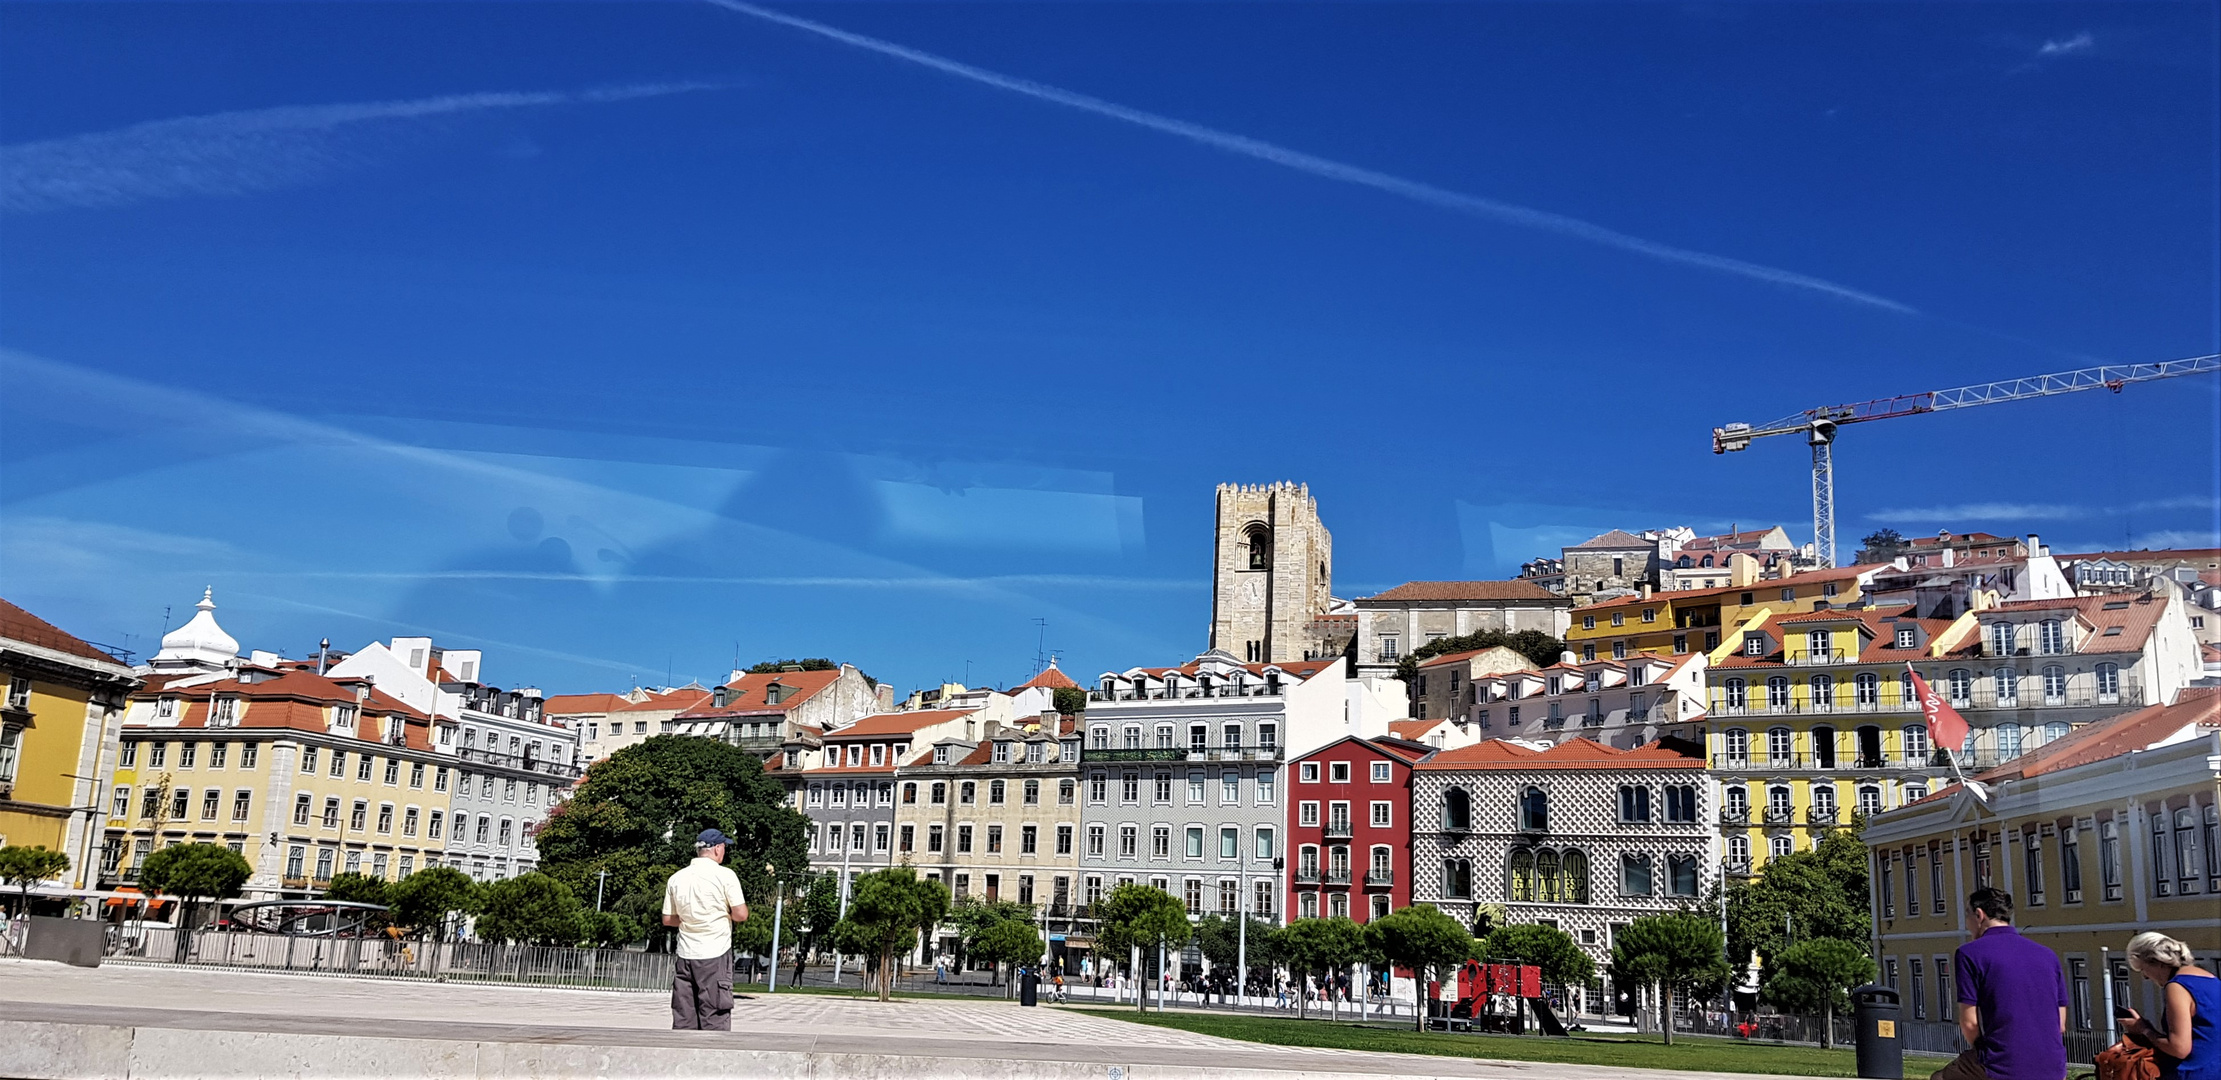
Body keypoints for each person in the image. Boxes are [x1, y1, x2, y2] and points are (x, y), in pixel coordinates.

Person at [1931, 887, 2069, 1080]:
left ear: (1979, 915)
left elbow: (1969, 1022)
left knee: (1940, 1078)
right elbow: (2060, 1024)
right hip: (2054, 1067)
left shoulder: (1970, 953)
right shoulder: (2048, 955)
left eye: (1968, 915)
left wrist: (1983, 1052)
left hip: (2003, 1064)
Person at [663, 828, 749, 1031]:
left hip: (686, 954)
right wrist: (723, 915)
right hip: (715, 952)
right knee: (714, 1018)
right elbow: (741, 914)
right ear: (718, 849)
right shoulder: (725, 875)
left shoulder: (676, 878)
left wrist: (690, 919)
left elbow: (668, 919)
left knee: (685, 1017)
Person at [2121, 932, 2217, 1080]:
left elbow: (2179, 1048)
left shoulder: (2177, 986)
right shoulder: (2212, 980)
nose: (2145, 977)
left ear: (2157, 962)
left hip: (2191, 1072)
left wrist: (2144, 1029)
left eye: (2143, 969)